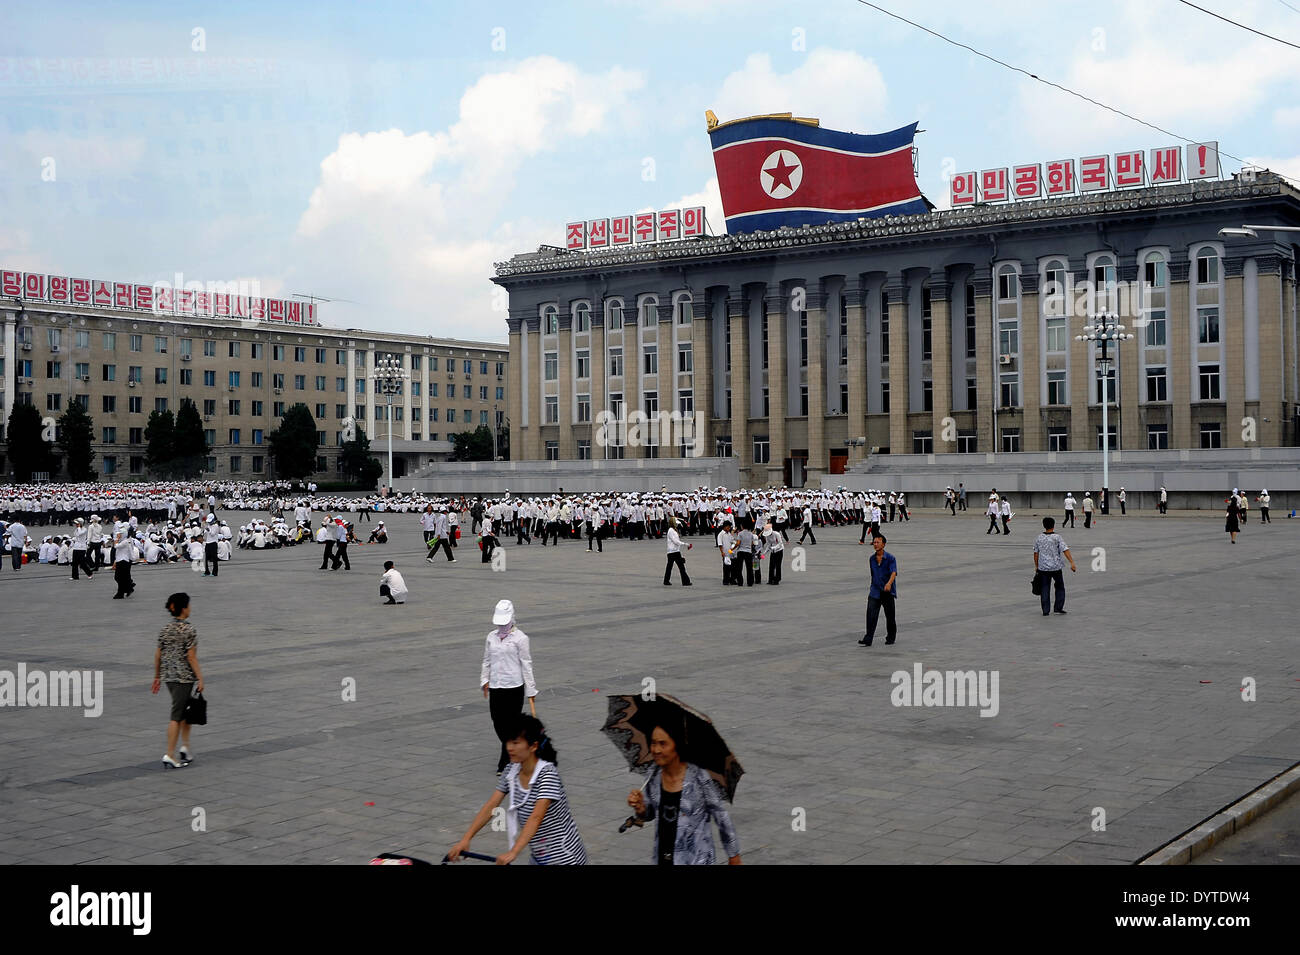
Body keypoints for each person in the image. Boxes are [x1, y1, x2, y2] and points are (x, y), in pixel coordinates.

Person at [448, 714, 586, 865]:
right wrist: (466, 839)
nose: (509, 748)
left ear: (533, 746)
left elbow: (536, 817)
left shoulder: (547, 775)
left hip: (566, 858)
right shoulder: (511, 771)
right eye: (507, 742)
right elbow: (492, 805)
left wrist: (513, 852)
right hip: (539, 857)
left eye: (515, 742)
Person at [626, 720, 742, 865]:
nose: (656, 750)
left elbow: (721, 816)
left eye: (663, 743)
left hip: (695, 859)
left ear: (678, 745)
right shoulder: (653, 773)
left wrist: (734, 856)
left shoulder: (700, 776)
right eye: (653, 743)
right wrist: (641, 808)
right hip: (662, 857)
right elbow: (650, 814)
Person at [480, 599, 536, 774]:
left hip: (514, 686)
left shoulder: (521, 638)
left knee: (511, 723)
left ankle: (506, 759)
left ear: (512, 618)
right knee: (497, 722)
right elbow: (486, 660)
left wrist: (531, 689)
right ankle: (514, 751)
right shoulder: (491, 637)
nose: (502, 626)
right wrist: (484, 680)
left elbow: (526, 664)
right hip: (496, 686)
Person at [151, 592, 204, 769]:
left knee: (184, 712)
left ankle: (186, 747)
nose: (190, 608)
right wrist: (200, 678)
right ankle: (170, 754)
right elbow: (191, 657)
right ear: (183, 608)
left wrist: (157, 676)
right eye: (188, 605)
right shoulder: (189, 630)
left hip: (169, 677)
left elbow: (158, 655)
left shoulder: (165, 629)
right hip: (184, 678)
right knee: (176, 715)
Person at [859, 534, 898, 646]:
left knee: (890, 616)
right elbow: (873, 574)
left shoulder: (890, 558)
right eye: (874, 542)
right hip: (875, 590)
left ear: (884, 544)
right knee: (871, 614)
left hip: (887, 591)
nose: (875, 544)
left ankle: (891, 637)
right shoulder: (872, 559)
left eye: (878, 542)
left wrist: (889, 584)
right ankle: (868, 638)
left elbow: (894, 572)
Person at [1033, 517, 1077, 616]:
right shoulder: (1057, 537)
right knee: (1060, 587)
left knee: (1044, 588)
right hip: (1056, 567)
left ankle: (1045, 610)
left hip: (1043, 567)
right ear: (1053, 525)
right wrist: (1072, 563)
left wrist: (1036, 566)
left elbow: (1036, 553)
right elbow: (1065, 549)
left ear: (1044, 525)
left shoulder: (1039, 538)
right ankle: (1058, 607)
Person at [663, 517, 693, 586]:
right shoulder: (671, 530)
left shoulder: (674, 530)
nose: (677, 525)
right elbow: (676, 541)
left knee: (670, 567)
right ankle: (685, 582)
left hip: (674, 551)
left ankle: (666, 581)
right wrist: (685, 544)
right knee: (680, 567)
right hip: (673, 552)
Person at [112, 520, 136, 599]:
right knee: (122, 577)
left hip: (124, 560)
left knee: (119, 577)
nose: (119, 534)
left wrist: (116, 539)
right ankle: (127, 588)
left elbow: (116, 546)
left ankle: (122, 591)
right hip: (122, 560)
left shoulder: (126, 541)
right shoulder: (126, 540)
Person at [761, 521, 783, 585]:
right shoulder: (767, 536)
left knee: (778, 565)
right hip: (772, 551)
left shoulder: (776, 534)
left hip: (779, 550)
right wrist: (764, 553)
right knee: (771, 565)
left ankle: (777, 579)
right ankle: (770, 579)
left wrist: (774, 548)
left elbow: (780, 543)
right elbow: (768, 545)